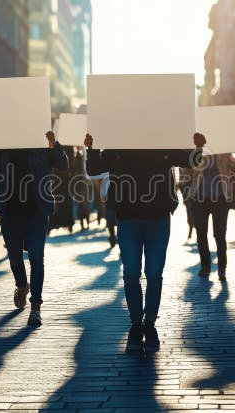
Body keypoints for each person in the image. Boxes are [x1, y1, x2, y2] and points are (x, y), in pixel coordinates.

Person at [86, 132, 203, 353]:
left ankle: (148, 324)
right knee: (131, 273)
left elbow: (190, 160)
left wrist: (199, 146)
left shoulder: (162, 141)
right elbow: (94, 169)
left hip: (157, 217)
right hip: (129, 216)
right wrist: (91, 149)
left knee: (153, 273)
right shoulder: (118, 144)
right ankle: (136, 324)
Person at [0, 131, 67, 327]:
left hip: (37, 212)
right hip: (10, 212)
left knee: (36, 258)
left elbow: (63, 164)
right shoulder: (3, 147)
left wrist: (53, 144)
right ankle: (22, 285)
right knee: (15, 259)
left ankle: (35, 308)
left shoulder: (42, 144)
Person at [189, 152, 235, 281]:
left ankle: (222, 269)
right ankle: (205, 267)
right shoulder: (199, 152)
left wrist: (229, 157)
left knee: (220, 235)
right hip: (200, 199)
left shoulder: (224, 152)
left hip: (220, 199)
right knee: (201, 235)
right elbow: (188, 168)